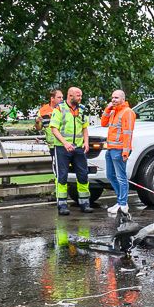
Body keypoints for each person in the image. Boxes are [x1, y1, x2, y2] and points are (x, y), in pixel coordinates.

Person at [46, 86, 92, 214]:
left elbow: (85, 128)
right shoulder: (60, 109)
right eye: (78, 95)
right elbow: (54, 128)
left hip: (78, 148)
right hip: (62, 148)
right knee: (62, 176)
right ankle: (62, 205)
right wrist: (65, 143)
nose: (80, 98)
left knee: (83, 175)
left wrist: (86, 142)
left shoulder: (82, 109)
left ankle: (84, 203)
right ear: (70, 96)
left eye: (81, 95)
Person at [100, 89, 137, 215]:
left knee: (121, 177)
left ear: (123, 99)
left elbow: (128, 133)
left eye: (116, 98)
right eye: (112, 98)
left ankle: (123, 203)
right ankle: (120, 200)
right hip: (110, 148)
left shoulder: (128, 112)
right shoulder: (114, 111)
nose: (113, 100)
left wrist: (125, 152)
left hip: (120, 149)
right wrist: (108, 108)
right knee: (110, 176)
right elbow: (103, 123)